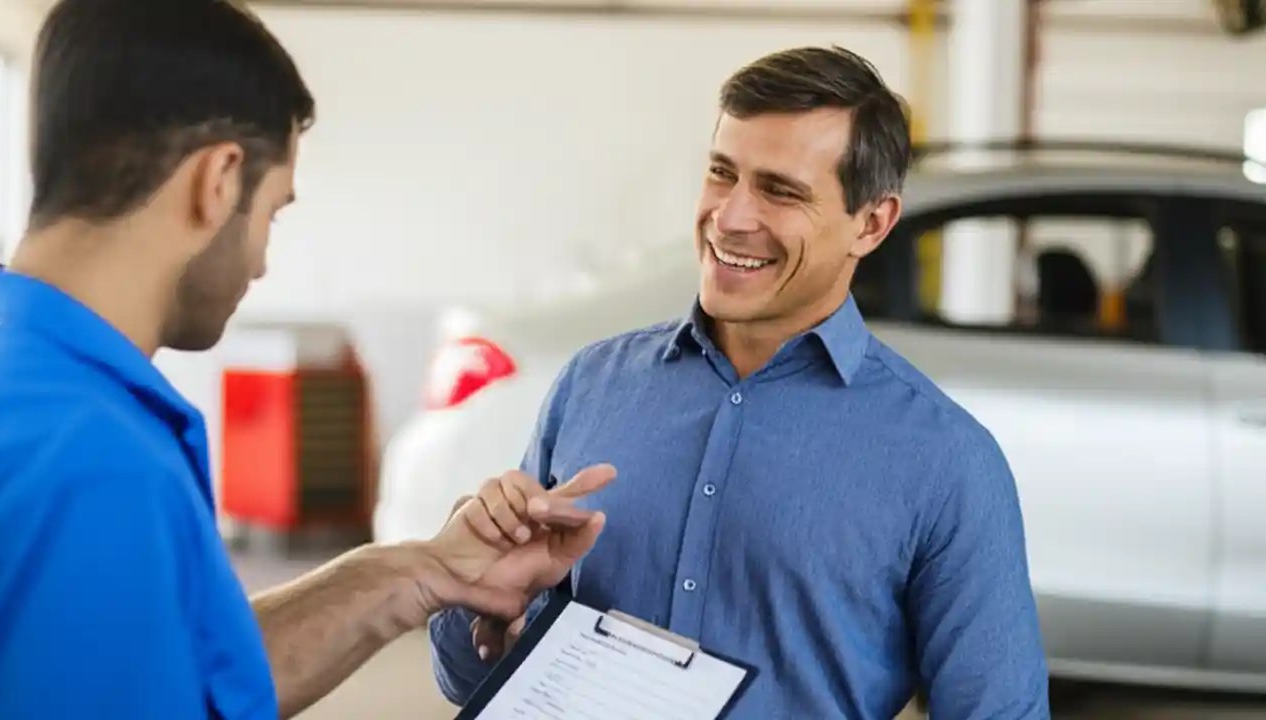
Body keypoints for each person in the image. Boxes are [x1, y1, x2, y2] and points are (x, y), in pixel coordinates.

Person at [0, 1, 615, 718]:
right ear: (218, 180)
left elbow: (183, 671)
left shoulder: (23, 370)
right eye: (273, 211)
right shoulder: (95, 459)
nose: (259, 262)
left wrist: (420, 569)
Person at [431, 46, 1051, 718]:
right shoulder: (591, 387)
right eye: (722, 174)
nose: (730, 217)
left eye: (780, 190)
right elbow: (474, 680)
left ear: (871, 224)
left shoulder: (947, 463)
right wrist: (481, 607)